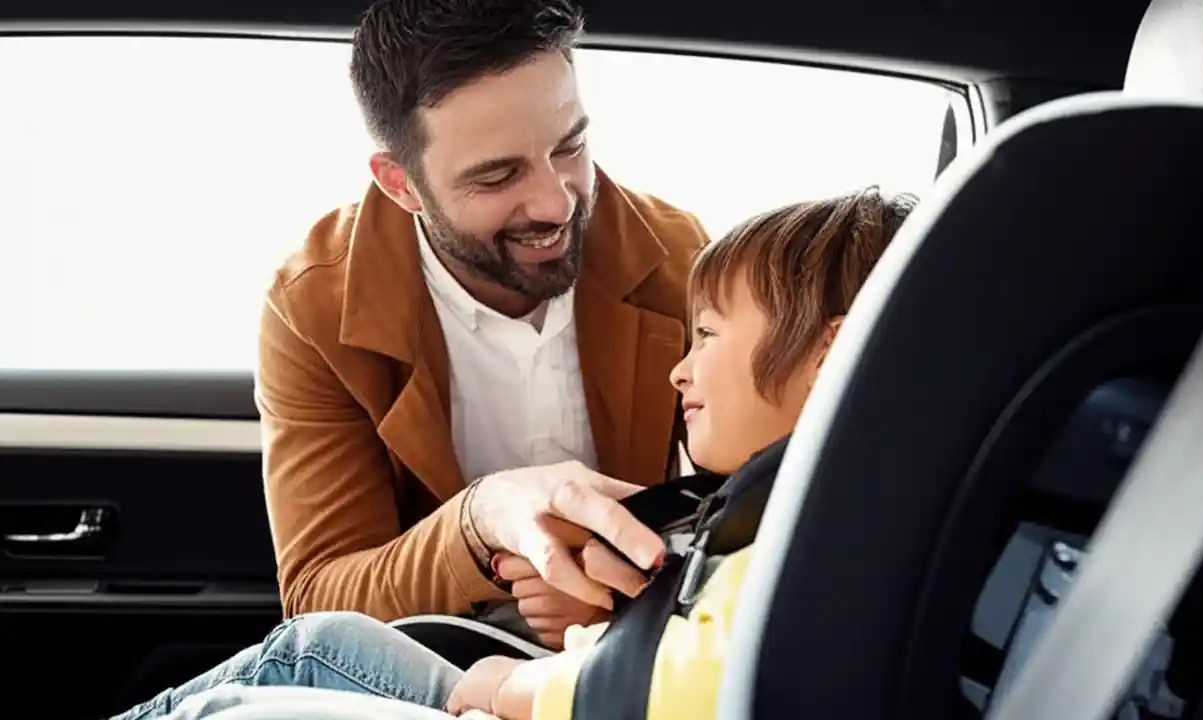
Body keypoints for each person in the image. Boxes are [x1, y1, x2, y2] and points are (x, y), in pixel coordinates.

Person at [109, 187, 916, 720]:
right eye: (497, 175)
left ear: (828, 358)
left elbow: (695, 679)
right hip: (572, 671)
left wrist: (525, 686)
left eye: (704, 336)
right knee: (314, 644)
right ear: (400, 181)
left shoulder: (820, 537)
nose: (679, 365)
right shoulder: (787, 505)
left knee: (253, 692)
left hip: (552, 695)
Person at [257, 0, 709, 649]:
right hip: (430, 661)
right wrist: (481, 520)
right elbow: (320, 599)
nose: (556, 202)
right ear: (400, 184)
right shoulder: (312, 309)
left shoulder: (677, 257)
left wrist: (619, 590)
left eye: (570, 146)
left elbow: (754, 507)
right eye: (498, 176)